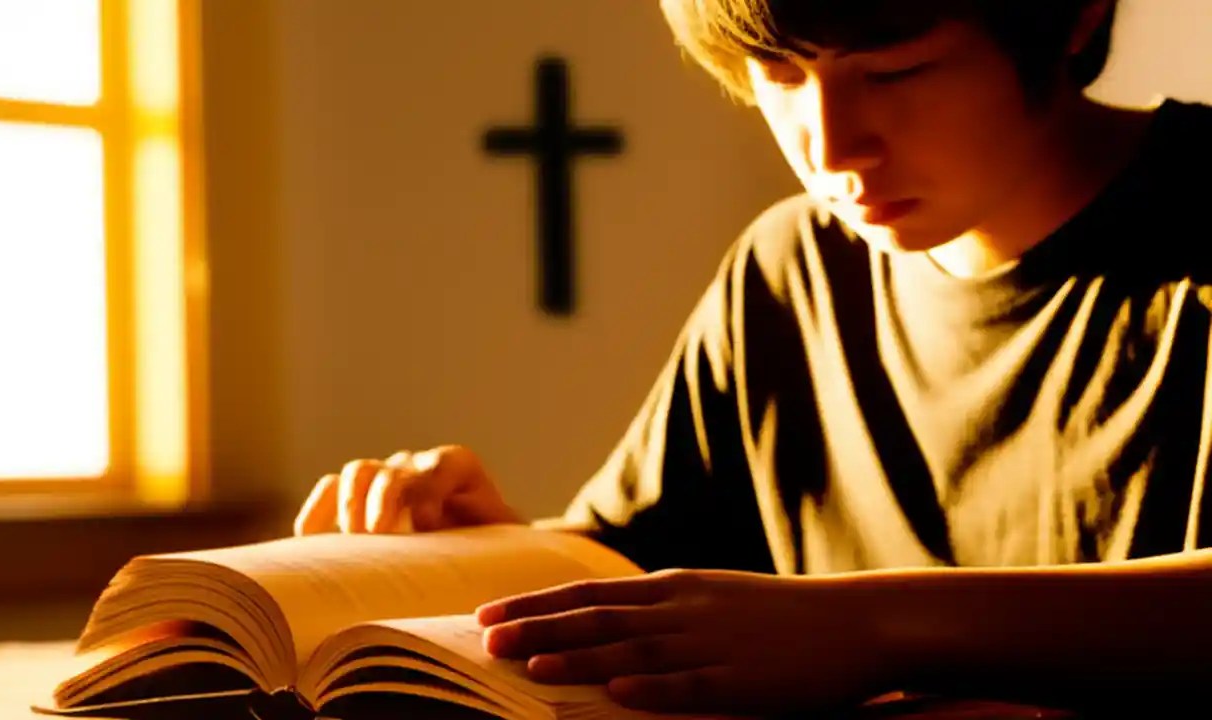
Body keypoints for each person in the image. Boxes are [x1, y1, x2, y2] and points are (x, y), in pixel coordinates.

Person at [295, 0, 1212, 715]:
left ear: (1076, 15)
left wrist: (874, 628)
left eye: (896, 73)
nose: (831, 147)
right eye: (776, 74)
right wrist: (484, 551)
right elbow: (641, 559)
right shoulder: (791, 270)